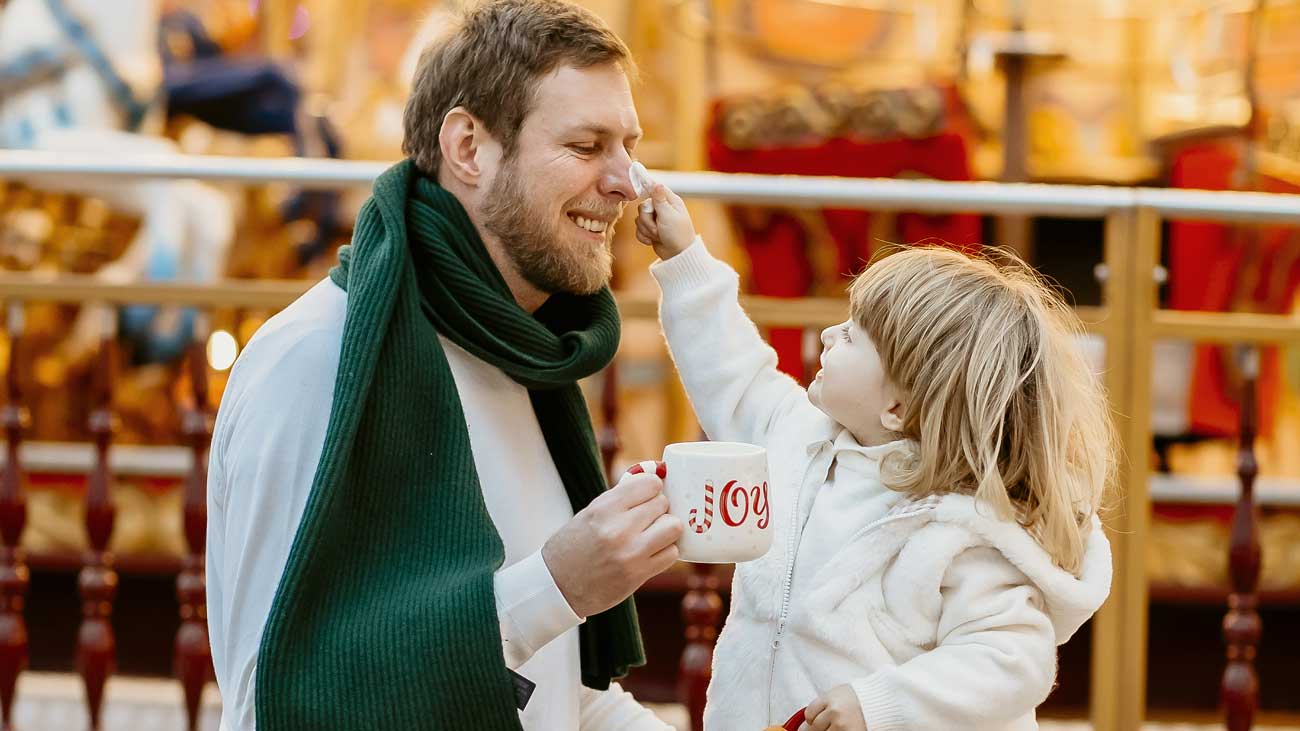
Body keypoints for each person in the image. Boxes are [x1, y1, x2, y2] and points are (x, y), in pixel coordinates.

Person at [206, 2, 681, 729]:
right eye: (588, 146)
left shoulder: (528, 353)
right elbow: (274, 701)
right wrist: (557, 584)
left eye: (628, 145)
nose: (627, 181)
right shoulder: (313, 361)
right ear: (467, 147)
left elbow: (556, 691)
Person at [636, 184, 1115, 731]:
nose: (828, 334)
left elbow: (1011, 662)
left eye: (854, 336)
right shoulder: (798, 437)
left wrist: (880, 705)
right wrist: (683, 259)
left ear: (896, 405)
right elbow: (734, 373)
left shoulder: (963, 527)